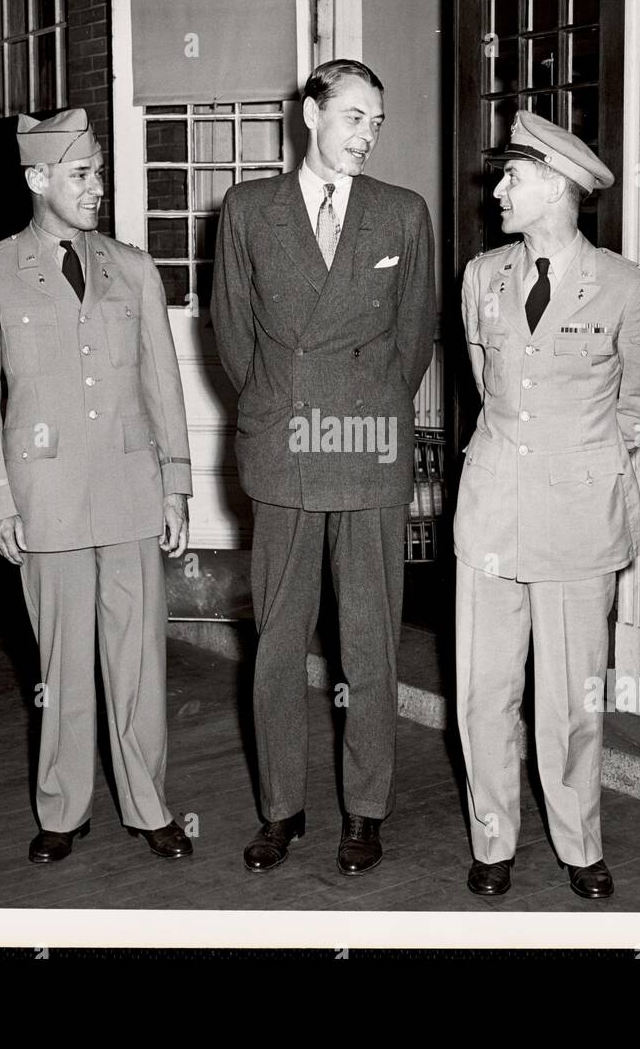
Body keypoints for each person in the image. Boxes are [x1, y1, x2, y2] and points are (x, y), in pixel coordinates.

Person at [211, 59, 436, 875]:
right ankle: (282, 807)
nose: (366, 135)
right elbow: (233, 336)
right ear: (309, 113)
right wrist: (283, 408)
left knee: (368, 644)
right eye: (352, 117)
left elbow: (412, 344)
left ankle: (365, 810)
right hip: (285, 454)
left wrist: (361, 408)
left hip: (368, 450)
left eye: (377, 122)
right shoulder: (246, 211)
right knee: (275, 644)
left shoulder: (402, 215)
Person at [0, 108, 194, 864]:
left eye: (98, 173)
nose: (98, 188)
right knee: (60, 666)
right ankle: (62, 809)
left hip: (131, 492)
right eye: (82, 175)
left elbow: (163, 382)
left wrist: (178, 483)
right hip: (45, 503)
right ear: (37, 178)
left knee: (139, 662)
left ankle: (148, 803)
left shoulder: (134, 268)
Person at [454, 110, 640, 898]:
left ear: (557, 186)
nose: (498, 191)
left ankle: (579, 843)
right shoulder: (482, 276)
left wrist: (575, 466)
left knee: (572, 698)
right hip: (491, 514)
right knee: (484, 691)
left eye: (513, 177)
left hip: (579, 519)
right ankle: (492, 840)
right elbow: (490, 384)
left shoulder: (628, 288)